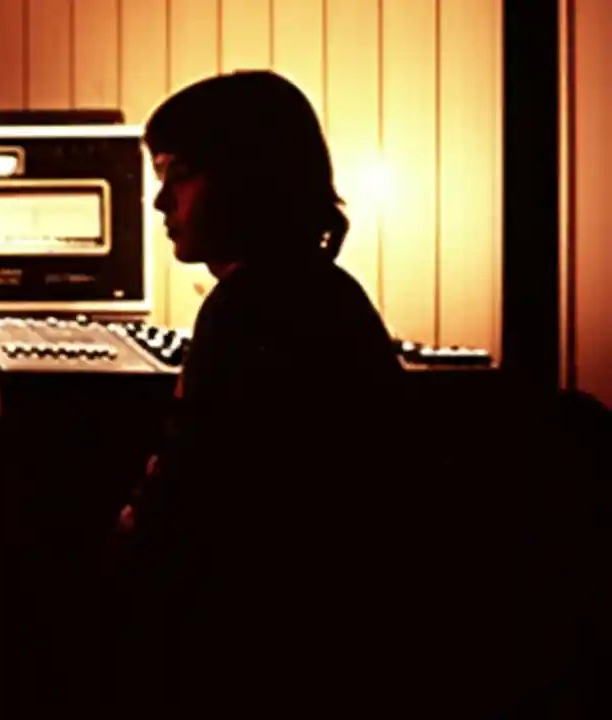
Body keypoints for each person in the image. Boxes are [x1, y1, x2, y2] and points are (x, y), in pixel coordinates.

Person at [99, 71, 583, 718]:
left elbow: (187, 498)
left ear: (247, 177)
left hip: (282, 647)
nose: (161, 202)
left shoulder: (251, 306)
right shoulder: (316, 289)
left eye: (178, 175)